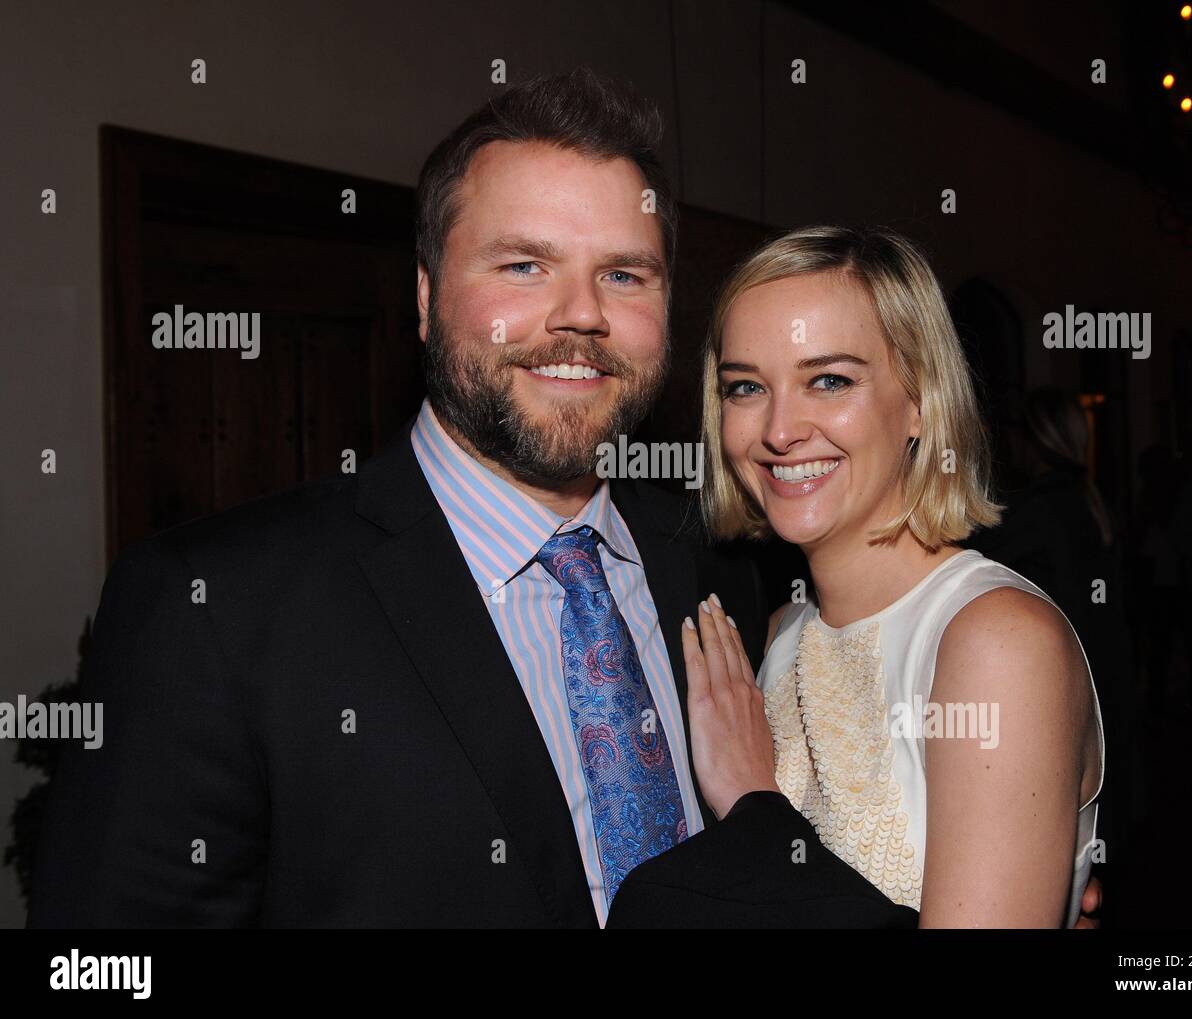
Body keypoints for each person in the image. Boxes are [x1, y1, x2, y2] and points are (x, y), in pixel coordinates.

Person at [27, 70, 911, 928]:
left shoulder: (722, 559)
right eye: (525, 265)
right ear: (424, 297)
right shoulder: (215, 608)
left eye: (626, 275)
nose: (580, 316)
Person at [641, 225, 1105, 927]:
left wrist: (750, 803)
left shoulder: (998, 643)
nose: (779, 429)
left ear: (920, 398)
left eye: (829, 379)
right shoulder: (780, 634)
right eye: (745, 386)